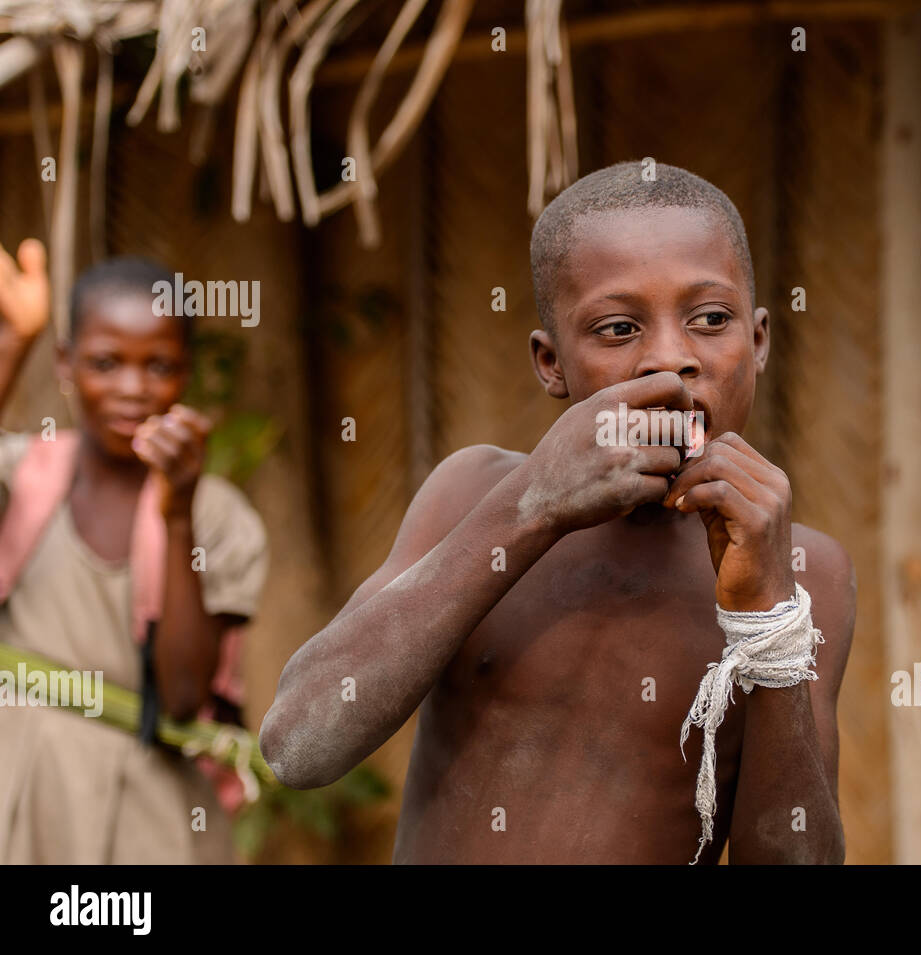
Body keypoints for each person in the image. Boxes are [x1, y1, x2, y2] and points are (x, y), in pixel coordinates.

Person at [260, 161, 857, 864]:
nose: (669, 359)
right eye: (616, 328)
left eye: (711, 319)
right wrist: (531, 507)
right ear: (551, 363)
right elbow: (297, 745)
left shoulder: (801, 570)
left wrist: (766, 620)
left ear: (757, 342)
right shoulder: (473, 493)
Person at [0, 240, 269, 863]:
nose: (132, 389)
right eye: (104, 362)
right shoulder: (20, 477)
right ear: (64, 364)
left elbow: (181, 695)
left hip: (150, 820)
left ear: (186, 371)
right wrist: (14, 344)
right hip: (19, 792)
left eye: (158, 366)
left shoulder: (219, 517)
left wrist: (177, 516)